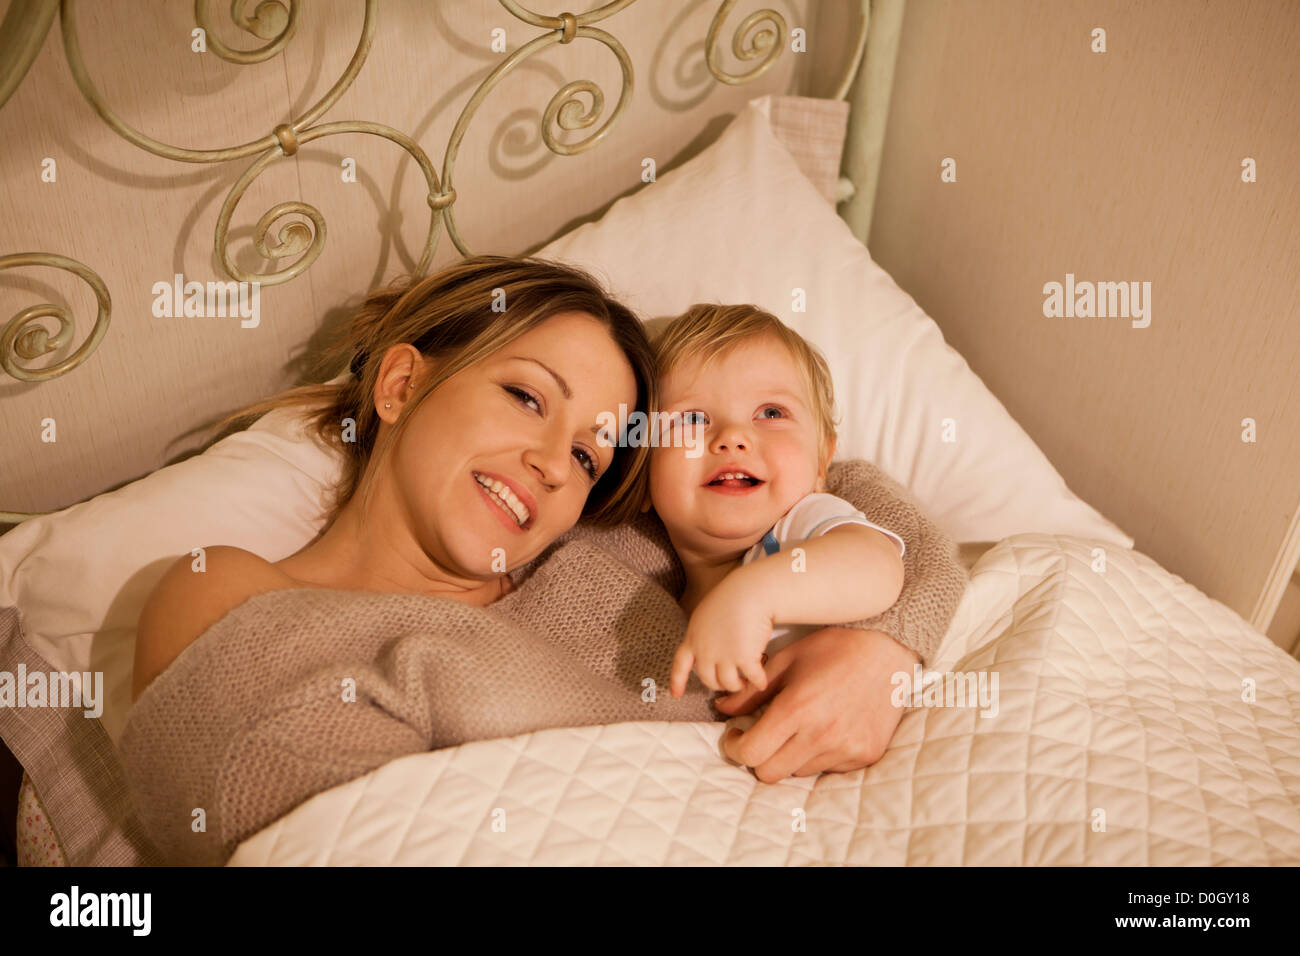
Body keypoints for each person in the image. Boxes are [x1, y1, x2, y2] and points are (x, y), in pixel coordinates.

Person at [644, 304, 907, 700]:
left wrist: (753, 596)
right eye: (692, 419)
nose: (733, 437)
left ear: (822, 462)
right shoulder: (657, 611)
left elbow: (879, 565)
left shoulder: (802, 525)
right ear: (641, 478)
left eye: (770, 412)